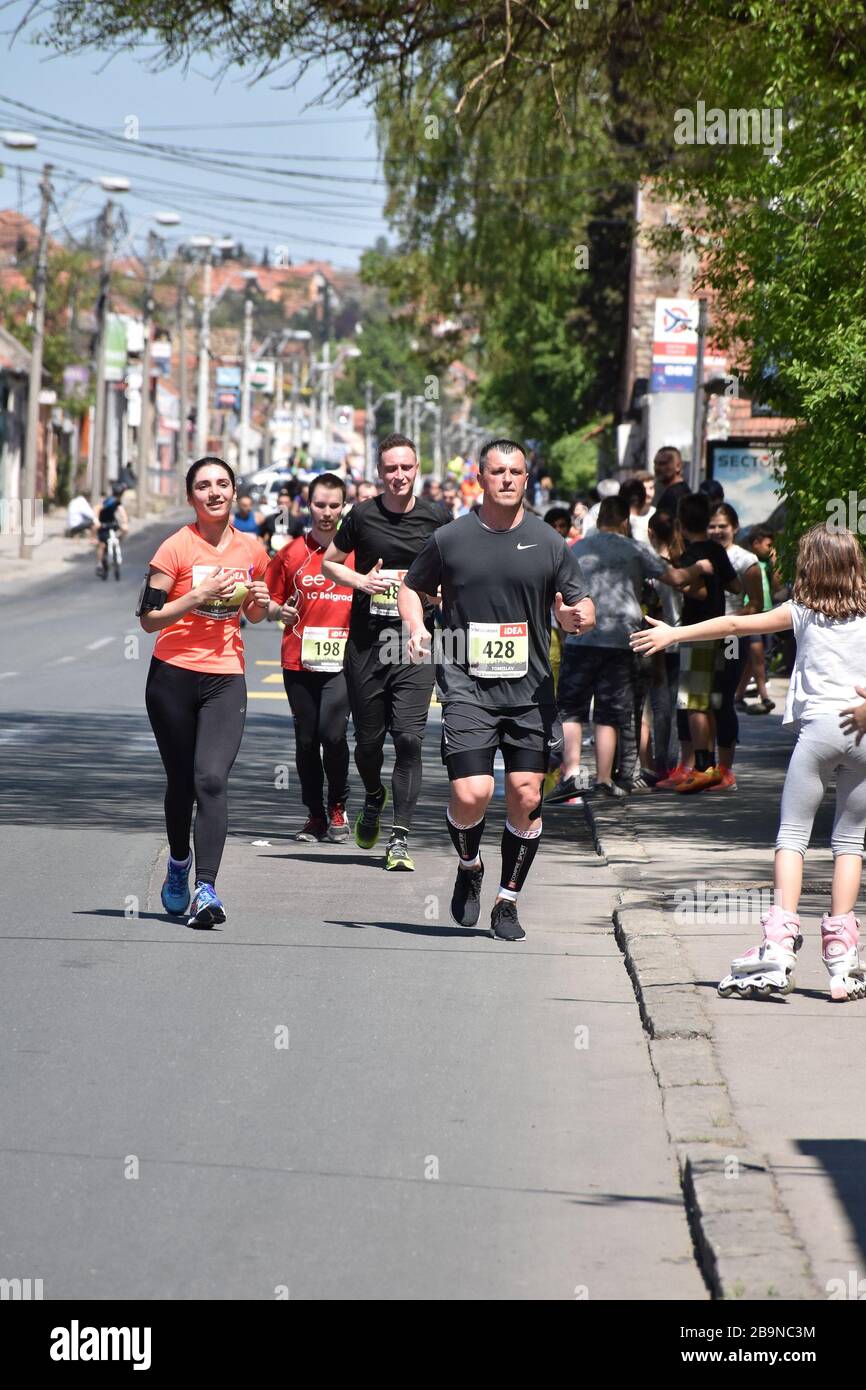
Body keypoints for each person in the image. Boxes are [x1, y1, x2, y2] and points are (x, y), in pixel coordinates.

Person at [631, 523, 866, 1003]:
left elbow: (735, 624)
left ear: (810, 569)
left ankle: (779, 945)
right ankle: (842, 959)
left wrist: (677, 634)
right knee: (850, 843)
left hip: (818, 733)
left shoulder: (801, 612)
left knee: (793, 836)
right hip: (863, 733)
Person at [398, 438, 596, 942]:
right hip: (467, 686)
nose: (507, 479)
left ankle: (507, 901)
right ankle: (469, 865)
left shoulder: (549, 541)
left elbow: (580, 602)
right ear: (481, 478)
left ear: (526, 480)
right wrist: (417, 627)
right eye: (498, 472)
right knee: (473, 792)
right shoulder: (451, 539)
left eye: (516, 472)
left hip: (531, 692)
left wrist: (577, 617)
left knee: (525, 795)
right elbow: (410, 588)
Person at [139, 456, 270, 927]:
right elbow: (148, 618)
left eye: (221, 484)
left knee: (211, 779)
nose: (213, 492)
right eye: (203, 486)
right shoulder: (174, 549)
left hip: (224, 677)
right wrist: (195, 595)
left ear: (234, 491)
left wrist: (265, 605)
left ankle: (206, 889)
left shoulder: (253, 550)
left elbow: (254, 614)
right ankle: (178, 864)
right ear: (191, 496)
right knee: (181, 784)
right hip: (172, 676)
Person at [322, 433, 449, 871]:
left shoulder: (437, 516)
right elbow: (329, 563)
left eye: (406, 468)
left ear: (417, 470)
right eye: (391, 469)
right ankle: (373, 794)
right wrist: (361, 582)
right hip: (368, 644)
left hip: (415, 641)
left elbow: (455, 571)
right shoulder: (361, 515)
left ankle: (400, 839)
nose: (399, 476)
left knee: (410, 739)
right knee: (369, 742)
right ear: (380, 473)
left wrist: (439, 596)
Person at [550, 495, 713, 804]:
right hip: (621, 641)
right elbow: (676, 579)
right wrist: (700, 567)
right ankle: (603, 779)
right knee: (610, 712)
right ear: (625, 521)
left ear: (598, 522)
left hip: (580, 638)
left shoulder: (577, 548)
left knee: (571, 708)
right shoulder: (634, 548)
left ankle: (571, 774)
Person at [265, 473, 354, 843]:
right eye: (320, 505)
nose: (327, 513)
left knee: (332, 735)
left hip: (343, 663)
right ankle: (315, 815)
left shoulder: (356, 553)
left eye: (334, 506)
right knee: (305, 740)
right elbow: (266, 602)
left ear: (344, 507)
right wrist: (277, 613)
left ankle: (338, 805)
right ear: (308, 504)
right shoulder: (291, 554)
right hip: (298, 661)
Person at [662, 491, 739, 794]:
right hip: (720, 631)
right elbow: (735, 585)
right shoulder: (718, 551)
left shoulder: (690, 556)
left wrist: (689, 584)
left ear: (680, 522)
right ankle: (715, 767)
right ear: (708, 521)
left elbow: (695, 589)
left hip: (696, 633)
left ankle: (704, 767)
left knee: (694, 703)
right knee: (713, 701)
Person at [706, 503, 764, 789]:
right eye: (712, 526)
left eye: (722, 526)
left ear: (735, 528)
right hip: (699, 637)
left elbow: (757, 605)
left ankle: (725, 770)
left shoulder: (746, 560)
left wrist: (728, 620)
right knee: (694, 701)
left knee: (721, 699)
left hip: (730, 638)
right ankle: (698, 766)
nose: (717, 531)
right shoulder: (699, 555)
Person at [735, 524, 780, 715]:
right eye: (768, 545)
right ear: (756, 543)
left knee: (751, 660)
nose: (771, 549)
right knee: (757, 655)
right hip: (750, 614)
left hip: (765, 614)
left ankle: (737, 696)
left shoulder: (765, 564)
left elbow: (777, 588)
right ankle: (764, 696)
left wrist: (775, 564)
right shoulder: (747, 563)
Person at [95, 483, 129, 575]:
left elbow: (122, 512)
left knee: (125, 530)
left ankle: (117, 541)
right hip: (103, 524)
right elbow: (98, 508)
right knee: (102, 545)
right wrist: (96, 520)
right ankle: (99, 564)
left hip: (112, 523)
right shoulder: (110, 501)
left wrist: (125, 522)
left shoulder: (117, 501)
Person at [653, 446, 690, 521]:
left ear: (678, 466)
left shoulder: (673, 496)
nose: (657, 468)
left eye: (663, 463)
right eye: (655, 463)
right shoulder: (683, 491)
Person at [259, 486, 295, 556]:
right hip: (272, 555)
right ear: (277, 503)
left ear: (290, 504)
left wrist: (292, 541)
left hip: (289, 555)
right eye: (281, 502)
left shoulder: (296, 521)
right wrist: (262, 546)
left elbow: (301, 541)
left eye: (286, 503)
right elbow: (260, 535)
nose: (283, 505)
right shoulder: (270, 519)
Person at [619, 476, 655, 546]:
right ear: (643, 499)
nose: (648, 493)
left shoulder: (611, 525)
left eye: (651, 488)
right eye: (645, 489)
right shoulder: (648, 528)